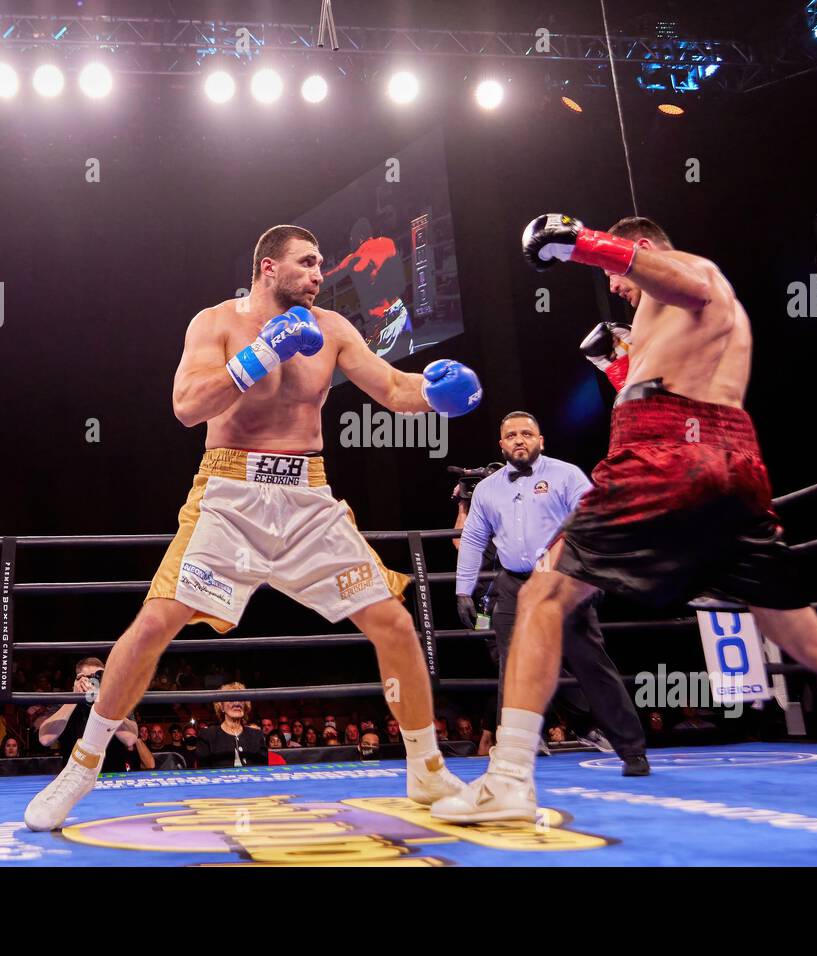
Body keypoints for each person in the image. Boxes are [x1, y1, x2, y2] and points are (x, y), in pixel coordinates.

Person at [432, 213, 817, 822]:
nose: (617, 284)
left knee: (541, 598)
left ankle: (507, 779)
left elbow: (686, 296)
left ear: (641, 248)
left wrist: (584, 245)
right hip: (733, 464)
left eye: (622, 269)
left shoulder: (694, 272)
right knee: (806, 639)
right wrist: (617, 368)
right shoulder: (687, 317)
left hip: (663, 454)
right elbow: (682, 379)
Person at [26, 224, 482, 830]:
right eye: (308, 262)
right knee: (156, 621)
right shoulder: (214, 322)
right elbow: (188, 406)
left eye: (321, 264)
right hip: (228, 494)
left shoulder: (335, 329)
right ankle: (81, 768)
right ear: (268, 267)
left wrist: (435, 394)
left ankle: (426, 770)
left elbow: (393, 388)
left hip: (309, 497)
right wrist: (260, 355)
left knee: (393, 620)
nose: (320, 273)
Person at [455, 410, 650, 775]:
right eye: (511, 435)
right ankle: (514, 754)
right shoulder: (487, 489)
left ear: (540, 440)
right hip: (512, 585)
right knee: (512, 670)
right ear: (501, 444)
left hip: (562, 581)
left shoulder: (566, 474)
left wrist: (587, 574)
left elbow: (592, 518)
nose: (519, 440)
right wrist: (463, 589)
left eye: (527, 433)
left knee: (590, 663)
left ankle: (632, 749)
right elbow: (473, 538)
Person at [36, 657, 145, 774]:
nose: (95, 683)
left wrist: (104, 704)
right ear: (78, 679)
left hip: (112, 776)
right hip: (75, 778)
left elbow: (130, 739)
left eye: (99, 677)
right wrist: (74, 698)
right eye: (90, 678)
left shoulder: (117, 701)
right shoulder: (65, 702)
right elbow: (45, 739)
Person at [196, 683, 268, 768]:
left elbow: (263, 769)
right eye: (231, 699)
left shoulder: (256, 734)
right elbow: (204, 771)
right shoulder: (207, 735)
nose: (237, 703)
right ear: (222, 707)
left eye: (241, 700)